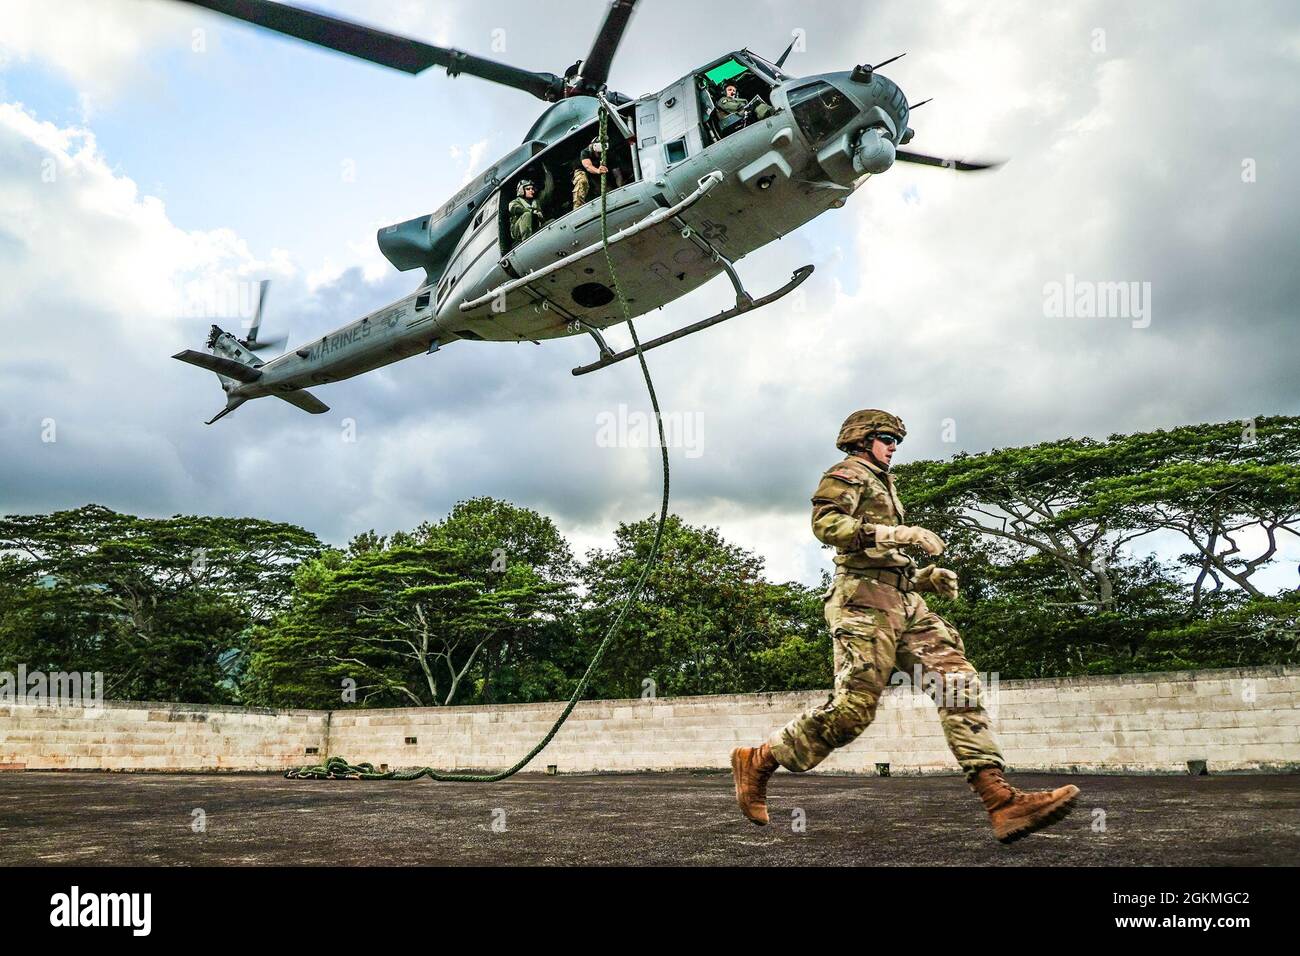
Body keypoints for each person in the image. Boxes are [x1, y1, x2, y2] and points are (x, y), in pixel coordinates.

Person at [730, 409, 1081, 843]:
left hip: (904, 601)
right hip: (862, 603)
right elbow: (827, 525)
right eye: (886, 438)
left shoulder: (884, 481)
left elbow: (880, 557)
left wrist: (922, 578)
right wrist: (903, 535)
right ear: (862, 440)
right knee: (852, 712)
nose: (894, 445)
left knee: (958, 683)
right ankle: (760, 759)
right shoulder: (847, 472)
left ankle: (1001, 801)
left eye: (897, 439)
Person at [508, 179, 544, 243]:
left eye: (532, 189)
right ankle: (527, 241)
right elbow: (513, 208)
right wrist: (532, 212)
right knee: (527, 214)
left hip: (534, 227)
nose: (531, 191)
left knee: (551, 221)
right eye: (528, 189)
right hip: (518, 231)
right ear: (521, 191)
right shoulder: (516, 202)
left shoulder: (535, 202)